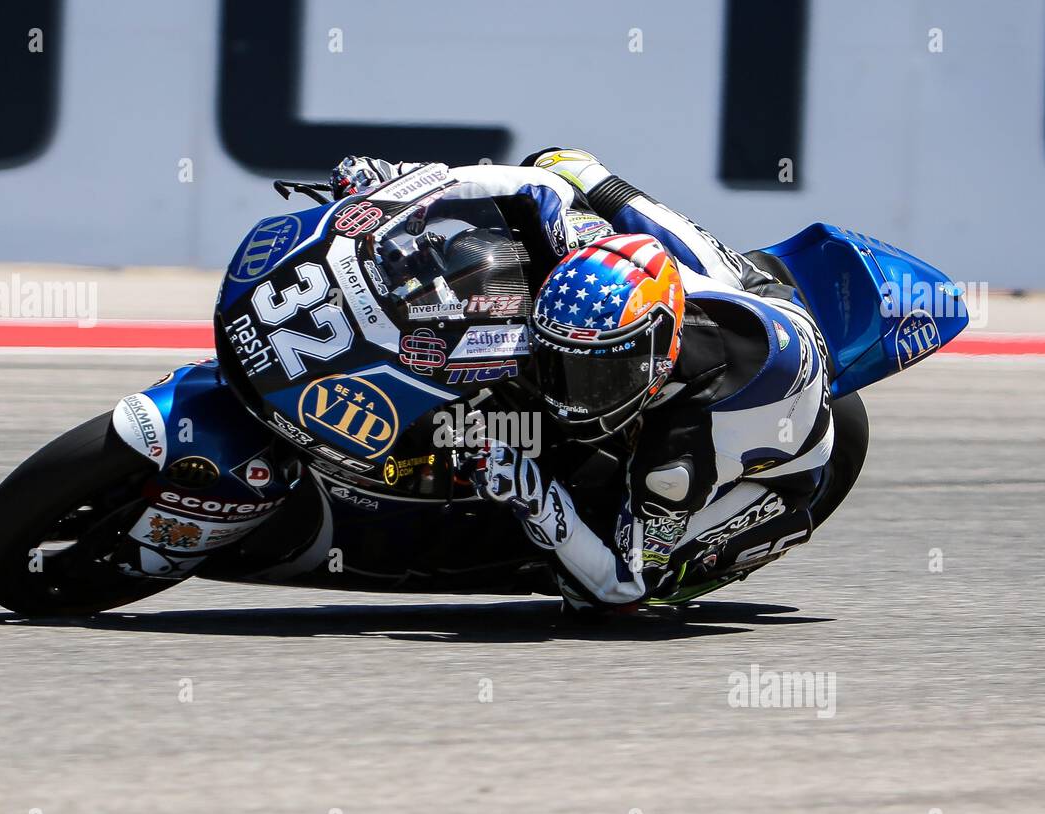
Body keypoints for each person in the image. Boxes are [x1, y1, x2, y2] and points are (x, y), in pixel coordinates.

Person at [333, 150, 847, 609]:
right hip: (749, 297)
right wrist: (398, 188)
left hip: (773, 460)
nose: (568, 391)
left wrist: (532, 492)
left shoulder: (676, 457)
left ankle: (729, 537)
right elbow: (537, 188)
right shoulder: (589, 260)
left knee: (602, 590)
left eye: (597, 372)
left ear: (651, 358)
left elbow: (621, 584)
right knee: (562, 165)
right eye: (562, 363)